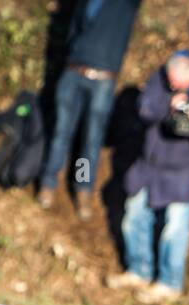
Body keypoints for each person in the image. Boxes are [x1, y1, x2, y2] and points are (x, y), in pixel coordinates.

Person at [107, 51, 189, 304]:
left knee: (175, 228)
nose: (172, 85)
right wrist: (169, 105)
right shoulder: (162, 79)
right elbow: (145, 108)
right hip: (149, 163)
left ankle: (169, 283)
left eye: (178, 83)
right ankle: (139, 270)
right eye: (170, 81)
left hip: (184, 170)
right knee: (134, 215)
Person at [37, 0, 143, 221]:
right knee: (61, 133)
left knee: (90, 140)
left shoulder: (125, 5)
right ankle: (48, 183)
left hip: (103, 79)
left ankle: (83, 188)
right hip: (73, 72)